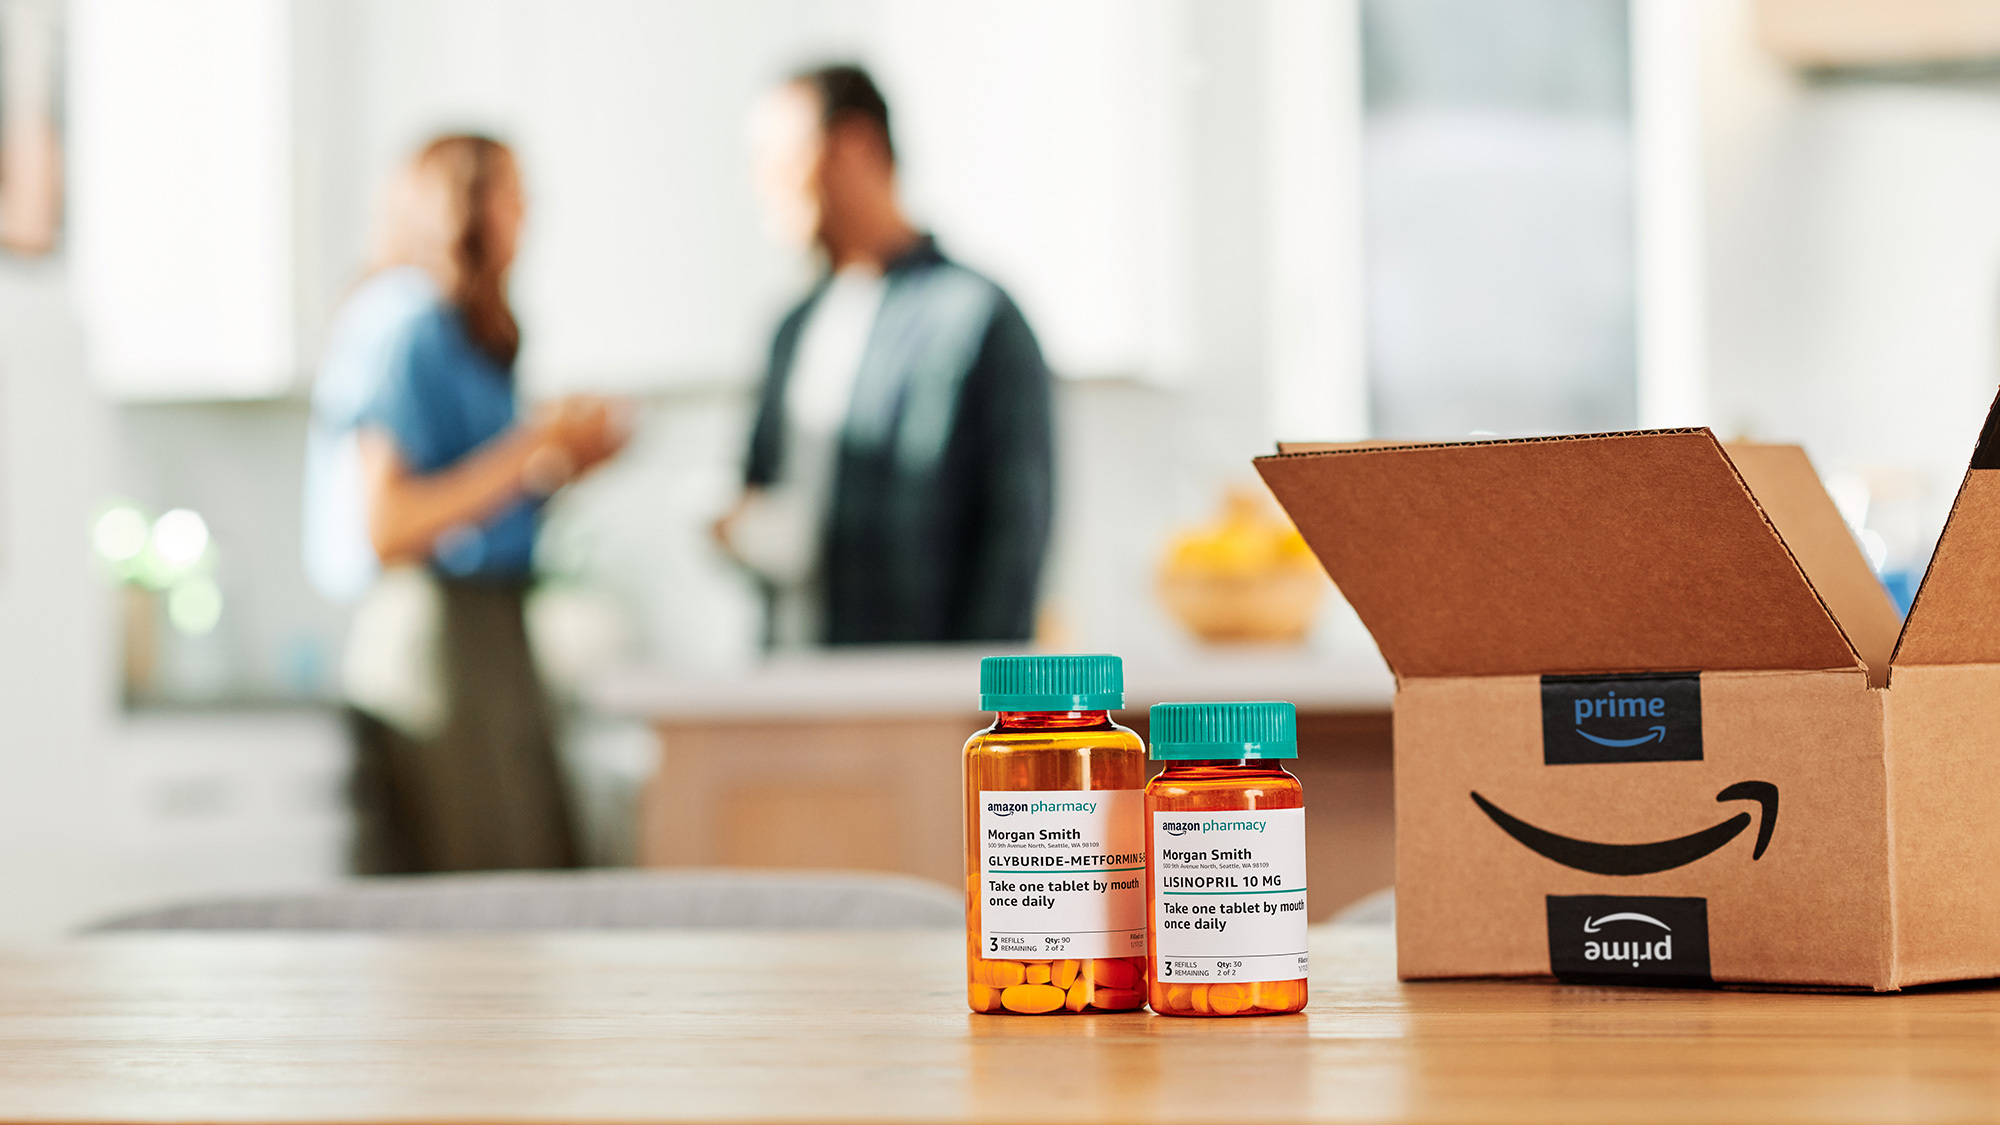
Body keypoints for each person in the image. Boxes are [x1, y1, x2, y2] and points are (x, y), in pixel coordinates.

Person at [303, 135, 627, 873]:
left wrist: (559, 463)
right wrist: (529, 450)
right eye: (512, 195)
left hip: (491, 631)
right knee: (488, 891)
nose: (528, 214)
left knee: (539, 873)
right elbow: (388, 524)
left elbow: (477, 493)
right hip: (435, 639)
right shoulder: (402, 321)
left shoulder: (466, 328)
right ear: (463, 208)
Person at [716, 64, 1055, 647]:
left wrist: (979, 709)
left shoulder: (975, 318)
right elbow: (758, 489)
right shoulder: (793, 329)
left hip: (918, 694)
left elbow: (1015, 539)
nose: (761, 183)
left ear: (854, 147)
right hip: (792, 680)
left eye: (778, 158)